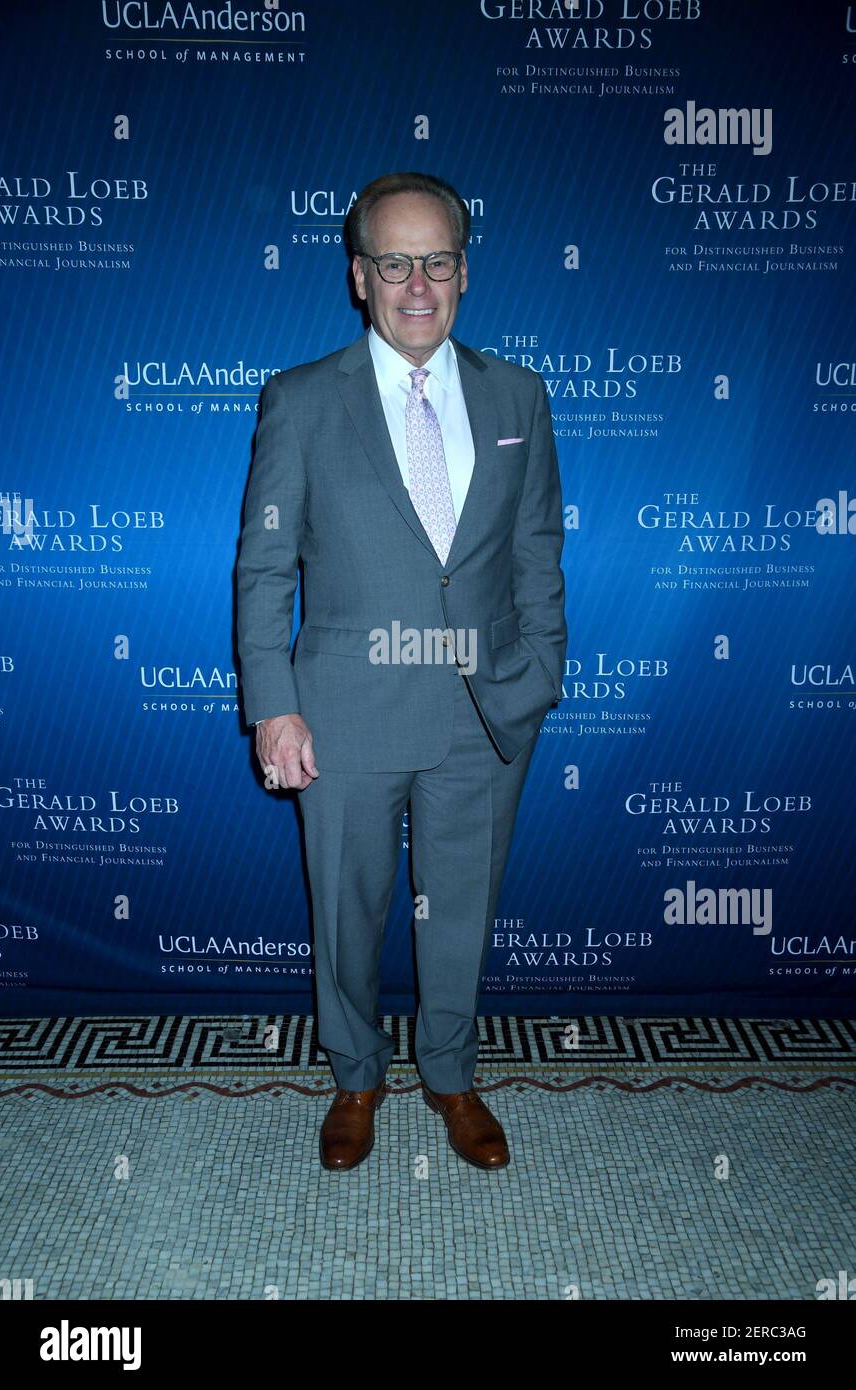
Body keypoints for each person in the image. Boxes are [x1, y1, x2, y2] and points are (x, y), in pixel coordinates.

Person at [236, 171, 566, 1172]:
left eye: (435, 260)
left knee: (461, 903)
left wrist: (540, 669)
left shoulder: (517, 394)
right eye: (393, 262)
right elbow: (262, 566)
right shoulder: (298, 400)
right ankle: (354, 1076)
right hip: (345, 708)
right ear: (358, 276)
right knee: (345, 906)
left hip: (483, 705)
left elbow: (536, 549)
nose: (414, 283)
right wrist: (272, 706)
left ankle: (453, 1073)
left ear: (462, 271)